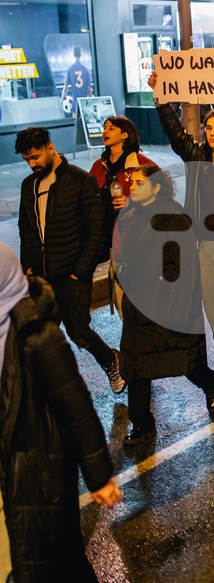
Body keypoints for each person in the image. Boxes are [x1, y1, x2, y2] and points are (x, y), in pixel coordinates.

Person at [0, 243, 121, 583]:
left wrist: (99, 477)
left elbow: (76, 405)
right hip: (10, 470)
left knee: (53, 562)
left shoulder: (39, 336)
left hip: (41, 470)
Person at [150, 69, 214, 371]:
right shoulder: (196, 155)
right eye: (208, 127)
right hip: (205, 241)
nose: (211, 132)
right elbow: (175, 133)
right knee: (212, 305)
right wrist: (161, 100)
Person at [116, 165, 214, 445]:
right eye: (132, 182)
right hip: (138, 305)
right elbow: (126, 257)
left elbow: (184, 268)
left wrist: (177, 311)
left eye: (140, 183)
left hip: (166, 305)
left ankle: (210, 382)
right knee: (137, 367)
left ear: (156, 188)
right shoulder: (130, 217)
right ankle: (142, 424)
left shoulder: (174, 220)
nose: (132, 187)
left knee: (184, 361)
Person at [16, 127, 124, 393]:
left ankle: (111, 360)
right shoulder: (29, 186)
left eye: (35, 157)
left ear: (50, 148)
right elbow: (26, 228)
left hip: (71, 275)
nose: (32, 164)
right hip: (40, 276)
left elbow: (96, 228)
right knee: (44, 335)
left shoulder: (80, 180)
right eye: (27, 159)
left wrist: (81, 270)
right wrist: (27, 267)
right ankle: (49, 390)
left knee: (79, 333)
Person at [89, 115, 155, 253]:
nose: (105, 132)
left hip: (134, 231)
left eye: (111, 128)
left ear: (124, 135)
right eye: (104, 128)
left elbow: (161, 195)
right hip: (104, 232)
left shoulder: (141, 163)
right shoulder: (98, 165)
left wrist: (131, 202)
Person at [61, 45, 91, 116]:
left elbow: (66, 87)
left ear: (73, 55)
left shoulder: (70, 69)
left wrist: (62, 100)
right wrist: (91, 101)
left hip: (75, 103)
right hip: (84, 103)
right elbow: (89, 89)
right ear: (80, 55)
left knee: (75, 119)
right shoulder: (85, 70)